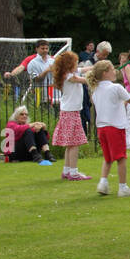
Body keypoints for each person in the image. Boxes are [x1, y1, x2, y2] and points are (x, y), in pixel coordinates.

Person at [87, 59, 130, 197]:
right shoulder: (116, 87)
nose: (115, 71)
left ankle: (103, 183)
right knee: (121, 158)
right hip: (115, 127)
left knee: (108, 158)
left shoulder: (96, 90)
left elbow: (116, 104)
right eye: (112, 69)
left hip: (102, 128)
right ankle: (123, 187)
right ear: (105, 73)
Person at [51, 50, 91, 180]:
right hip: (71, 112)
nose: (77, 64)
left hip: (69, 111)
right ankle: (74, 172)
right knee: (74, 144)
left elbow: (84, 69)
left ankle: (67, 171)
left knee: (70, 144)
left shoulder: (69, 73)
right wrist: (98, 77)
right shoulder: (68, 76)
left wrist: (97, 67)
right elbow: (83, 79)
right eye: (75, 62)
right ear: (69, 64)